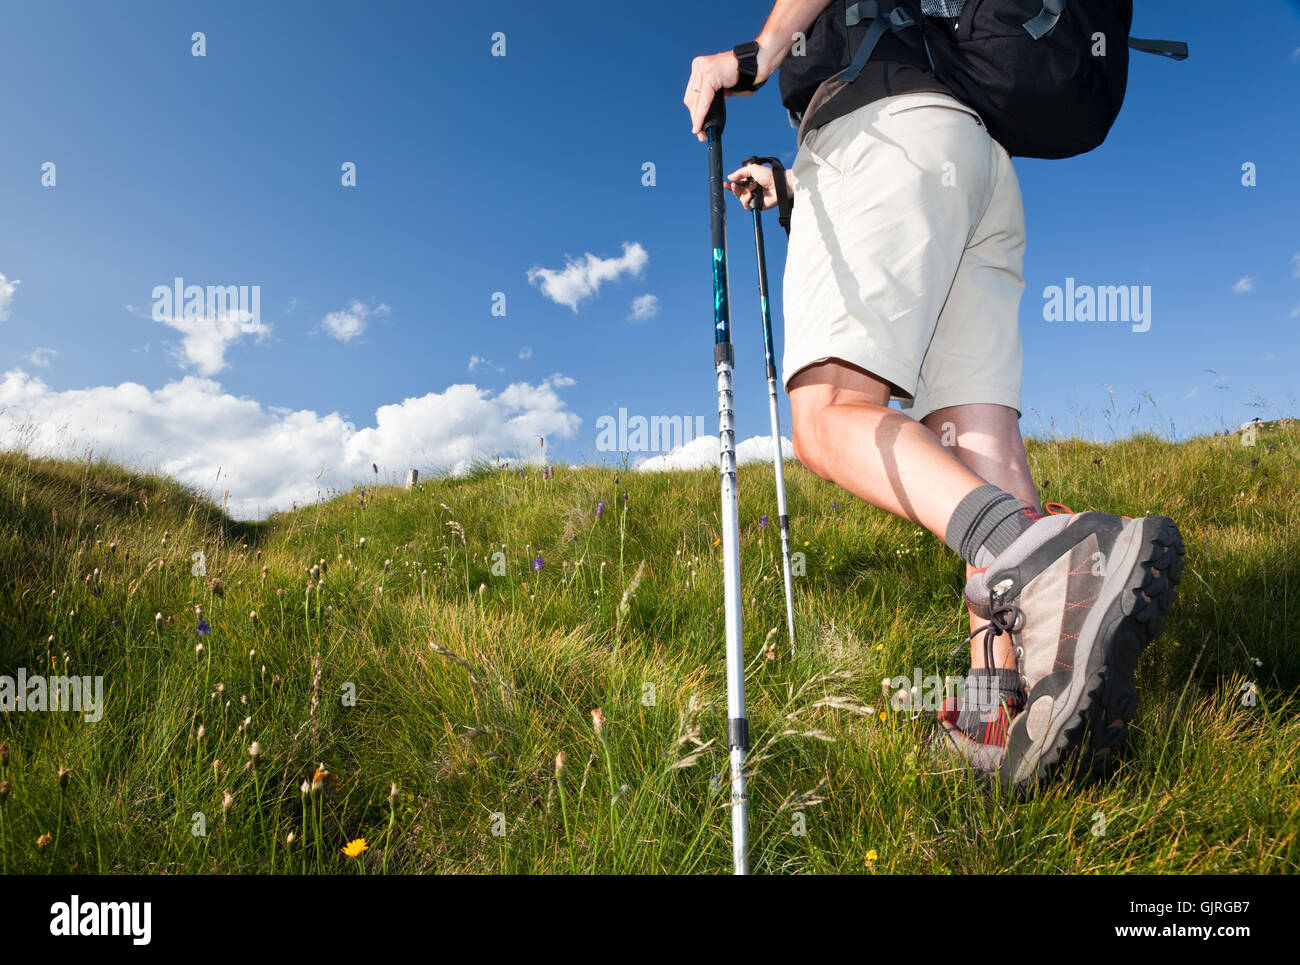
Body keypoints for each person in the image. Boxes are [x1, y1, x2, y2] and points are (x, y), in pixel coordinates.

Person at [683, 0, 1184, 789]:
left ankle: (1048, 563)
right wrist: (793, 186)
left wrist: (755, 53)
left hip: (882, 138)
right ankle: (1012, 707)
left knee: (824, 416)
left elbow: (859, 98)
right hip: (971, 162)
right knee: (978, 452)